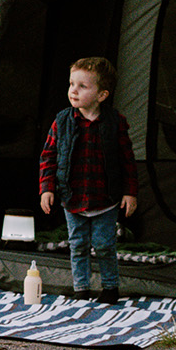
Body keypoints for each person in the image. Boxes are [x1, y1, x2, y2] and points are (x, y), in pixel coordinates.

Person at [38, 56, 138, 304]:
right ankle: (81, 288)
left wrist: (130, 192)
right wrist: (47, 189)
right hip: (73, 196)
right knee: (78, 244)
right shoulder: (62, 121)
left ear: (102, 95)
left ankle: (110, 288)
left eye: (83, 86)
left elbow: (127, 160)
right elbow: (48, 156)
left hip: (106, 198)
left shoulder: (115, 122)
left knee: (104, 245)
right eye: (72, 84)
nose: (74, 90)